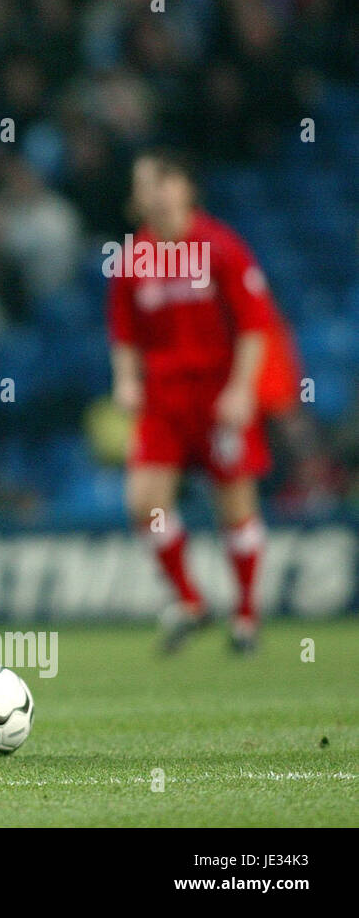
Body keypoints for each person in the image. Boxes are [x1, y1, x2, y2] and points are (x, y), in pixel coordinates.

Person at [109, 148, 286, 654]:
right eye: (147, 182)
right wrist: (125, 380)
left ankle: (247, 616)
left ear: (187, 188)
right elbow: (124, 334)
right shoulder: (132, 258)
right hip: (164, 398)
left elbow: (255, 325)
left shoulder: (221, 246)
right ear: (136, 197)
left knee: (233, 503)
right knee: (145, 502)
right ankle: (190, 600)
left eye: (166, 179)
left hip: (217, 393)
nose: (157, 191)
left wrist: (242, 388)